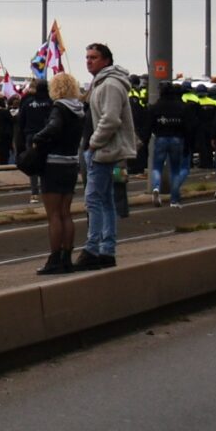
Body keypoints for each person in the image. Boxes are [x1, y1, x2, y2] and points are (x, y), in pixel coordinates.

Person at [76, 42, 137, 270]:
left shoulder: (110, 84)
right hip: (103, 149)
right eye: (87, 57)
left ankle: (92, 249)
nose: (88, 61)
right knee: (106, 200)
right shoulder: (102, 82)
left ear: (106, 60)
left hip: (103, 150)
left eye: (93, 57)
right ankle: (106, 250)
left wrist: (93, 143)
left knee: (93, 199)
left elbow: (111, 118)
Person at [25, 71, 88, 274]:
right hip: (71, 163)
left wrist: (37, 138)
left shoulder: (59, 108)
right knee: (65, 213)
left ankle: (54, 259)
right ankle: (67, 257)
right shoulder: (79, 109)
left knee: (53, 214)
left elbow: (53, 127)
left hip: (54, 164)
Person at [148, 79, 191, 207]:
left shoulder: (155, 107)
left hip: (160, 138)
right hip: (177, 139)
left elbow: (150, 125)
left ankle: (156, 188)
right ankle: (174, 200)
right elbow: (187, 127)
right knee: (175, 170)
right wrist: (187, 144)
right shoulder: (181, 107)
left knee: (157, 167)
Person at [15, 78, 55, 202]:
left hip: (31, 136)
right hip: (47, 136)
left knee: (32, 163)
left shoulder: (27, 102)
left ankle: (34, 193)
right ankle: (47, 190)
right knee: (47, 163)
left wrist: (20, 138)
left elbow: (21, 121)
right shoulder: (51, 103)